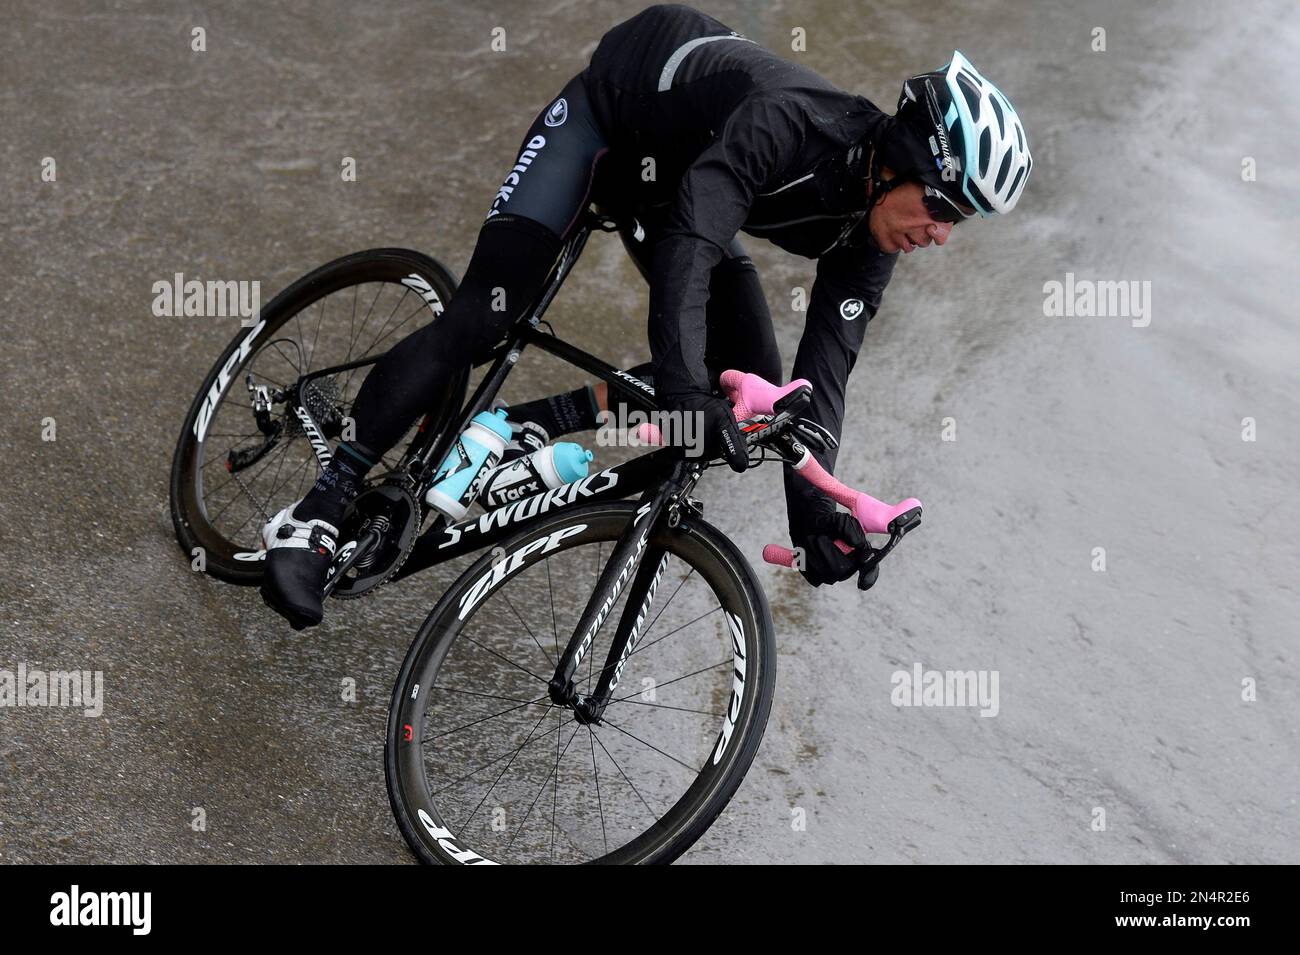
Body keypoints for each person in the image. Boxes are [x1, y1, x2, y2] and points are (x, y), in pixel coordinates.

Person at [260, 3, 1032, 630]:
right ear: (900, 157)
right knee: (487, 315)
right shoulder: (791, 124)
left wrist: (817, 510)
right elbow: (693, 242)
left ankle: (522, 423)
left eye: (958, 221)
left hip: (680, 185)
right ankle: (318, 508)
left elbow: (821, 378)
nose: (939, 231)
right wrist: (684, 391)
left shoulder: (874, 236)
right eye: (940, 203)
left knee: (748, 388)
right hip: (607, 123)